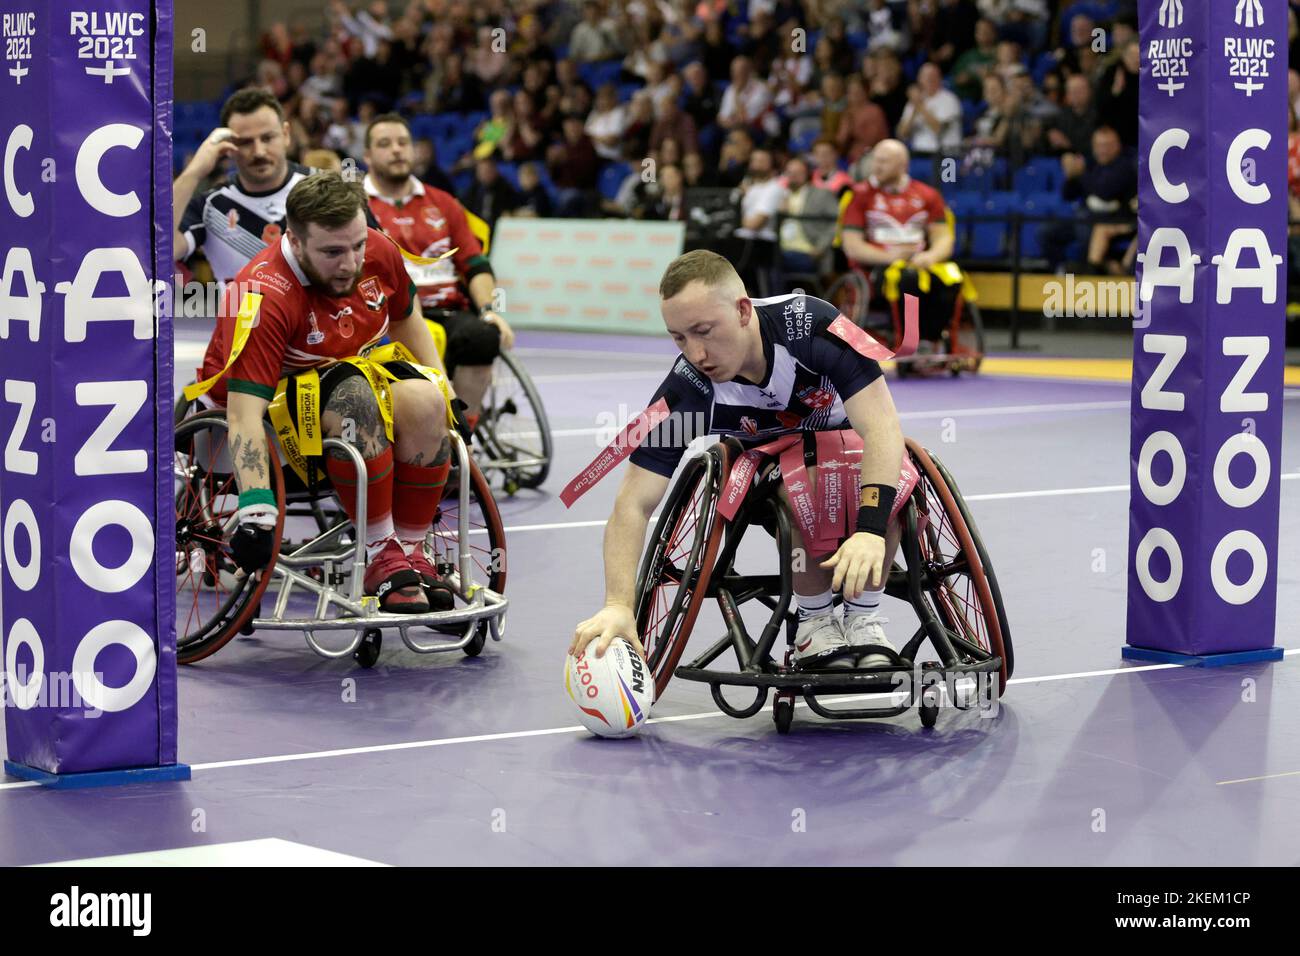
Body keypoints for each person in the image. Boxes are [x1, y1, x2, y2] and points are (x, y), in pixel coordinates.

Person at [569, 250, 909, 670]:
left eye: (704, 331)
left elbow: (883, 428)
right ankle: (814, 622)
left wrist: (871, 531)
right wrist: (618, 603)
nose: (696, 353)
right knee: (812, 479)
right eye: (679, 338)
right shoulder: (687, 393)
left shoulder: (813, 327)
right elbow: (634, 502)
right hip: (774, 469)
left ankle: (864, 619)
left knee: (899, 479)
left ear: (744, 310)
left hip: (852, 447)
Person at [194, 172, 455, 615]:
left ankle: (411, 555)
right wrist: (257, 508)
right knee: (353, 393)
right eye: (332, 252)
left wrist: (444, 389)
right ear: (295, 242)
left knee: (427, 399)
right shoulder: (262, 293)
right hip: (257, 420)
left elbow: (407, 317)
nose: (351, 262)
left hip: (342, 381)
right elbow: (242, 416)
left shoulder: (376, 249)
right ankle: (379, 554)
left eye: (356, 246)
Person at [363, 114, 515, 421]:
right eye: (384, 144)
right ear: (366, 157)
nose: (396, 150)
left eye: (403, 143)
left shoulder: (444, 202)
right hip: (390, 318)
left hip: (448, 310)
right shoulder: (357, 206)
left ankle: (464, 430)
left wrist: (489, 309)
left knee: (485, 337)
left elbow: (475, 263)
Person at [173, 88, 313, 285]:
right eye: (245, 142)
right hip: (239, 316)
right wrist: (194, 171)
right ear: (228, 146)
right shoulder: (211, 206)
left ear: (286, 134)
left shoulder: (326, 190)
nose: (259, 152)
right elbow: (162, 249)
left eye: (267, 138)